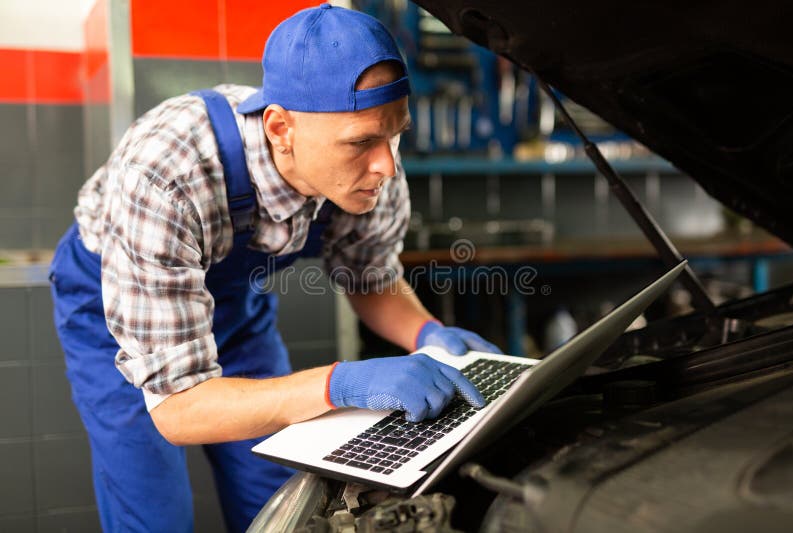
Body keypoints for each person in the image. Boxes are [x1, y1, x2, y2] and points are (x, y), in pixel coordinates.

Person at [49, 4, 501, 532]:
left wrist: (428, 331)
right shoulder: (167, 173)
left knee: (279, 502)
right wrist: (341, 385)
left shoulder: (374, 167)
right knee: (153, 509)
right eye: (360, 143)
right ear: (281, 128)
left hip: (235, 311)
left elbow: (370, 275)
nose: (386, 164)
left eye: (395, 133)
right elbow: (179, 408)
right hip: (117, 316)